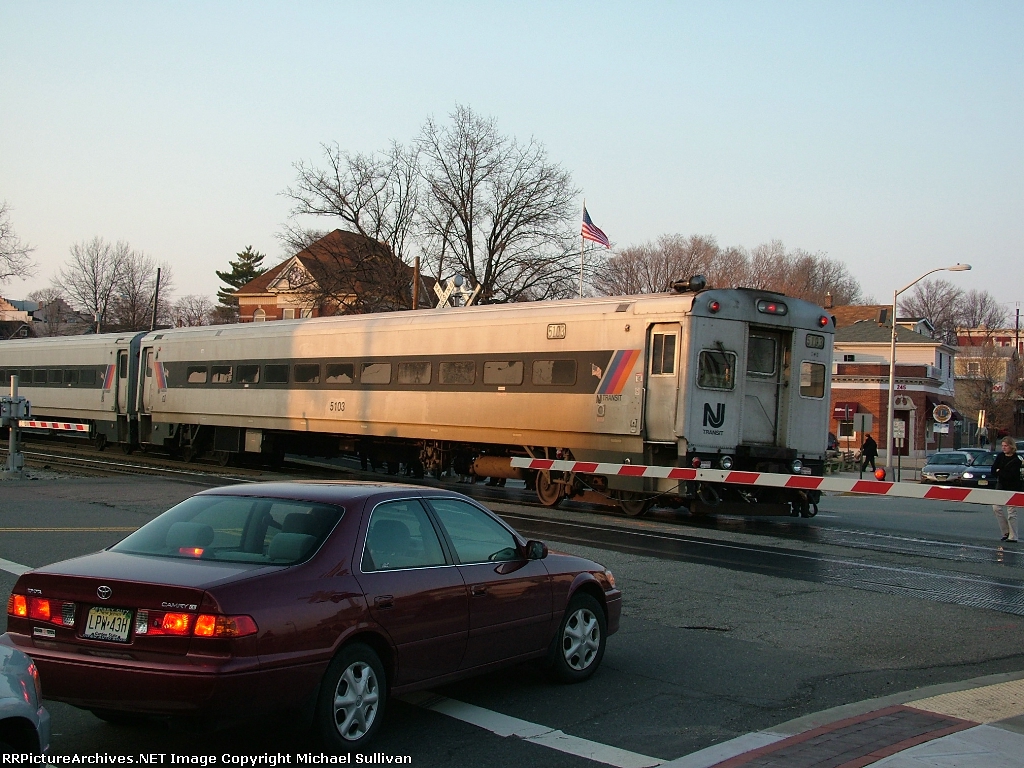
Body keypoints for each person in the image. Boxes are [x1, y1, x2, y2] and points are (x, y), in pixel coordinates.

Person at [991, 436, 1022, 542]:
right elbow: (993, 470)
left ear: (1011, 446)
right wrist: (999, 472)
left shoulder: (1016, 460)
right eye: (1002, 446)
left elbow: (1011, 475)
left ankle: (1013, 536)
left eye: (1006, 446)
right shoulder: (1000, 456)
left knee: (1011, 512)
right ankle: (1005, 532)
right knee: (996, 508)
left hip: (1012, 488)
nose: (1003, 448)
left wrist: (1000, 472)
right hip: (1000, 486)